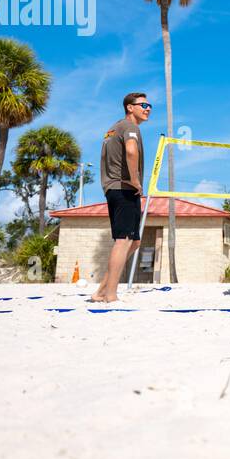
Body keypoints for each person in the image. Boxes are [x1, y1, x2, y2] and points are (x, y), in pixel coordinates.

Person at [91, 91, 150, 302]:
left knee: (134, 242)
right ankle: (111, 295)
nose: (148, 108)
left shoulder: (113, 128)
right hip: (123, 188)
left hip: (115, 187)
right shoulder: (129, 127)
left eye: (149, 105)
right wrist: (135, 180)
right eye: (143, 105)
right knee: (123, 240)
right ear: (129, 107)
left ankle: (101, 291)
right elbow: (131, 152)